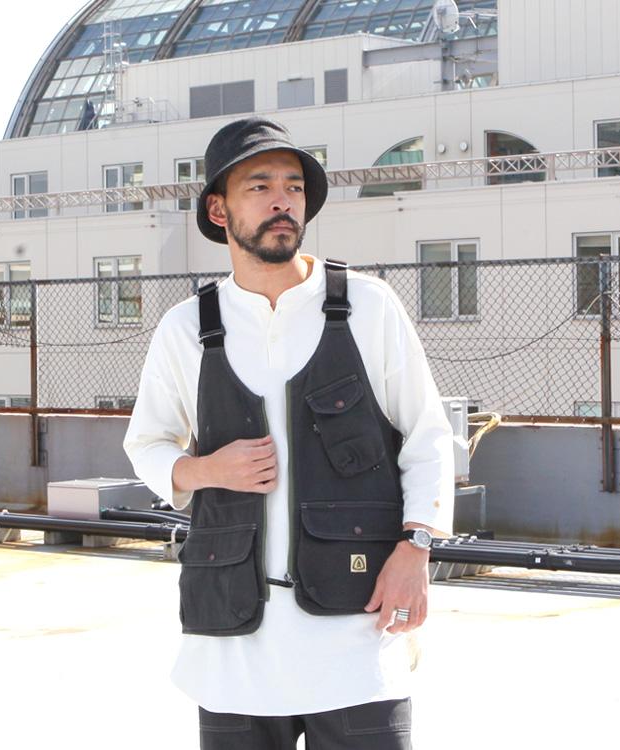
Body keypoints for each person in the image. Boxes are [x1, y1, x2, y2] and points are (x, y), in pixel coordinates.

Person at [123, 117, 453, 749]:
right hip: (233, 650)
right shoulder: (186, 328)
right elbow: (147, 445)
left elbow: (428, 437)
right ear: (218, 209)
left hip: (357, 641)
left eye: (294, 186)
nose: (283, 200)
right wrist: (206, 470)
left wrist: (417, 550)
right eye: (260, 186)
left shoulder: (369, 306)